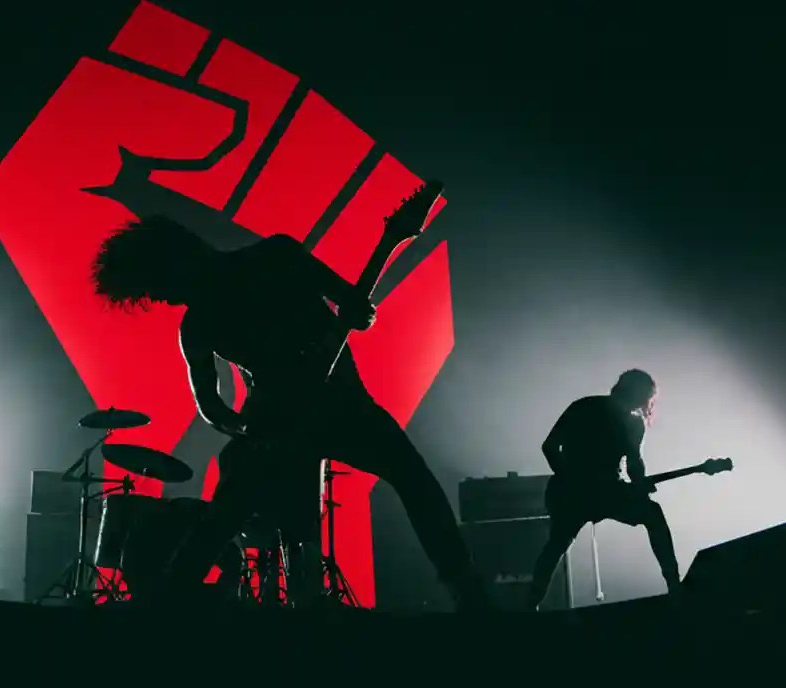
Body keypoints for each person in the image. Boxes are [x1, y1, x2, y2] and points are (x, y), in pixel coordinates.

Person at [90, 215, 489, 611]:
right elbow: (209, 406)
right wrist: (248, 429)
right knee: (221, 521)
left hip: (342, 408)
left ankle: (468, 592)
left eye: (166, 285)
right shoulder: (197, 324)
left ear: (184, 257)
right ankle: (169, 609)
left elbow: (351, 305)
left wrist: (358, 312)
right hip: (279, 421)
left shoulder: (277, 256)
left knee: (414, 479)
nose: (169, 299)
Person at [525, 369, 679, 610]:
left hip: (599, 491)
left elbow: (633, 463)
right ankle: (675, 586)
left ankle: (530, 602)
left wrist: (640, 487)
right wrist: (573, 480)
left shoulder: (592, 409)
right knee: (558, 543)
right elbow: (550, 446)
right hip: (580, 492)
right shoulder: (595, 411)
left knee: (557, 544)